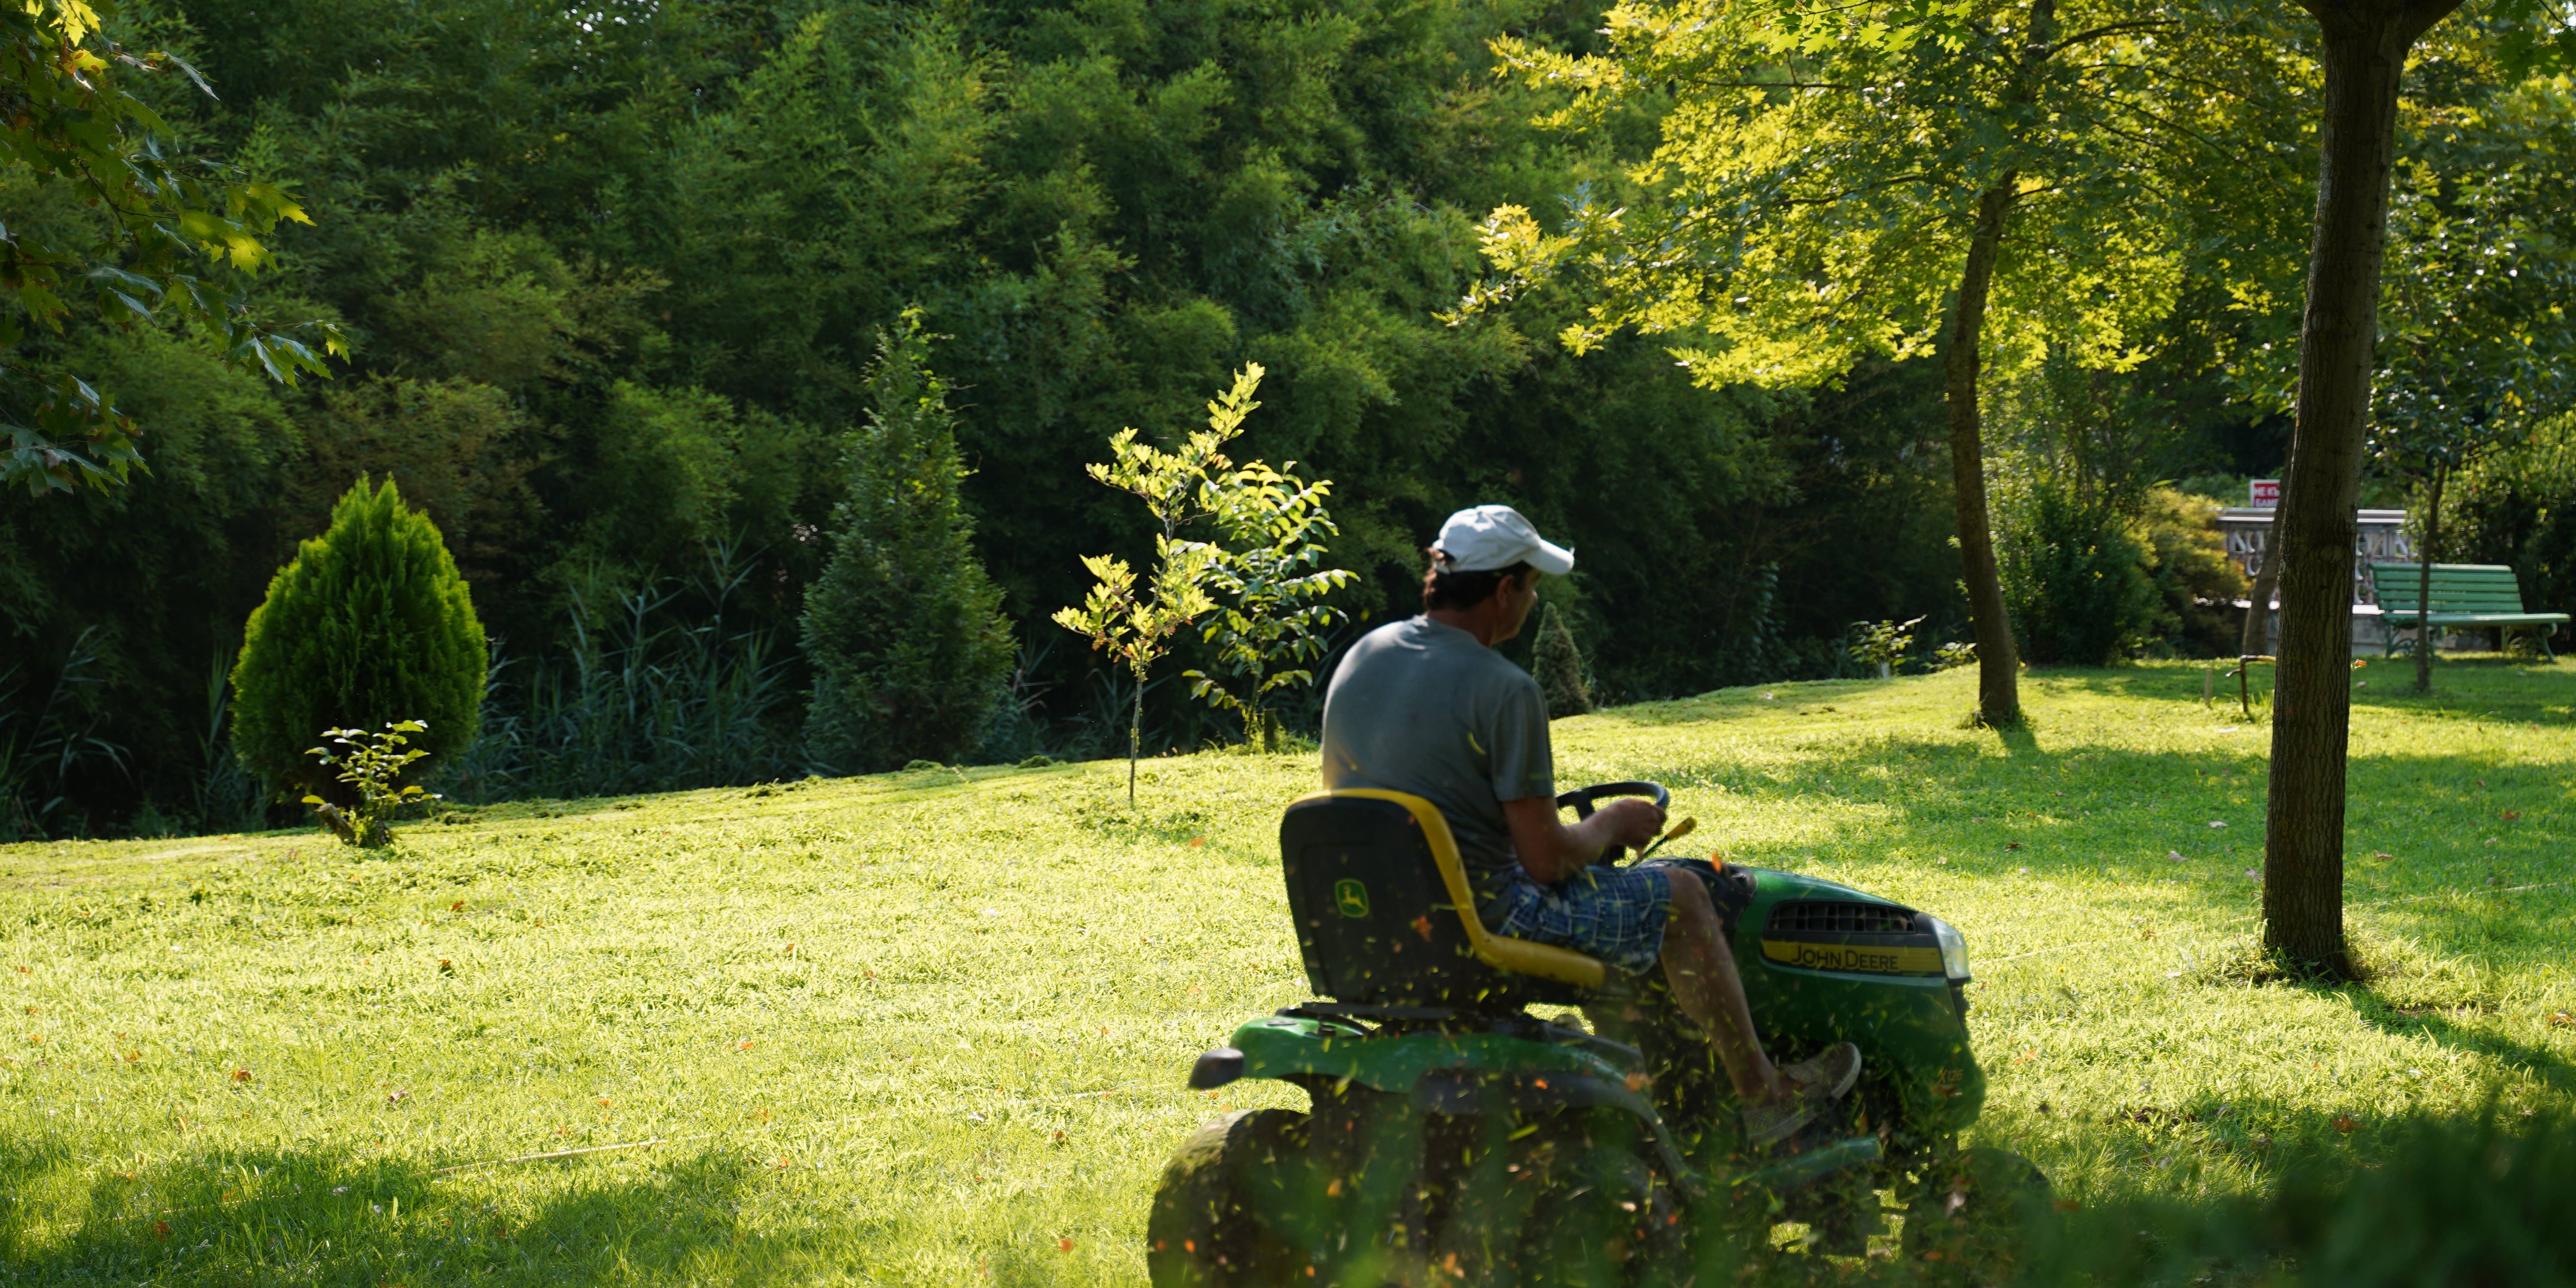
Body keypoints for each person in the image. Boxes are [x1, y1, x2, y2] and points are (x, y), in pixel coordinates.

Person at [1319, 504, 1860, 1148]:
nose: (1533, 599)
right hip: (1485, 923)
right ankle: (1765, 1095)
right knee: (1682, 896)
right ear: (1503, 591)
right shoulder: (1504, 688)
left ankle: (1648, 1092)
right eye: (1532, 585)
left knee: (1616, 900)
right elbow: (1548, 860)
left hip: (1376, 921)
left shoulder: (1363, 657)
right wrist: (1613, 822)